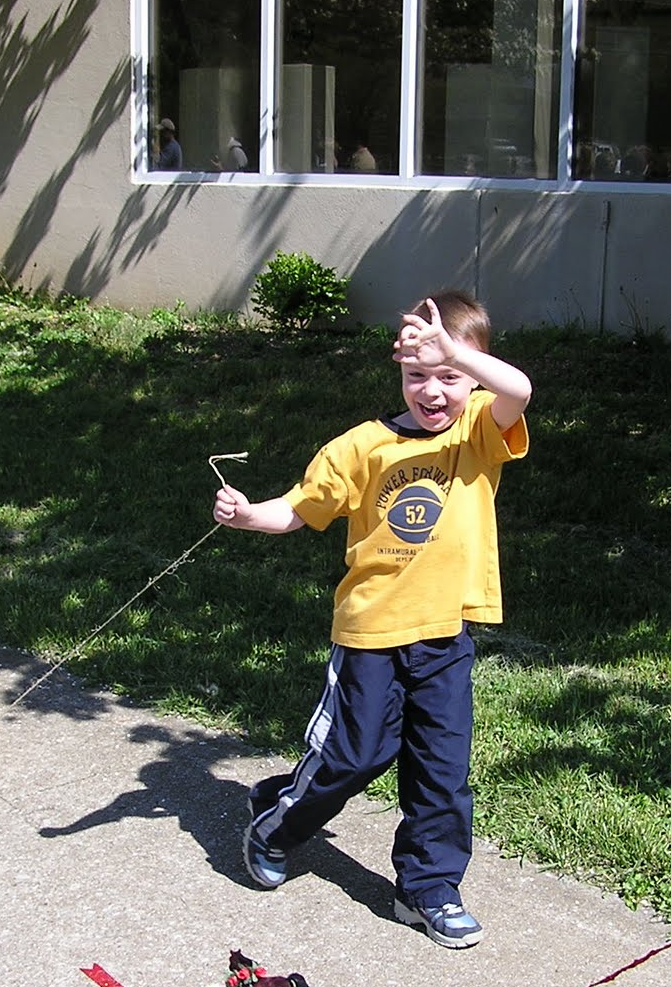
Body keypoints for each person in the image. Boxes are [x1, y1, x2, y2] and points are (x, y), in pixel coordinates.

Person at [213, 291, 532, 948]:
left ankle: (428, 889)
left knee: (442, 771)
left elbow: (519, 390)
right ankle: (276, 825)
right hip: (370, 635)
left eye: (450, 375)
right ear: (399, 371)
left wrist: (454, 352)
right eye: (417, 375)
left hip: (445, 635)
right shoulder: (360, 447)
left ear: (473, 377)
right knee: (353, 758)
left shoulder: (478, 431)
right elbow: (298, 509)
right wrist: (247, 515)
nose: (433, 390)